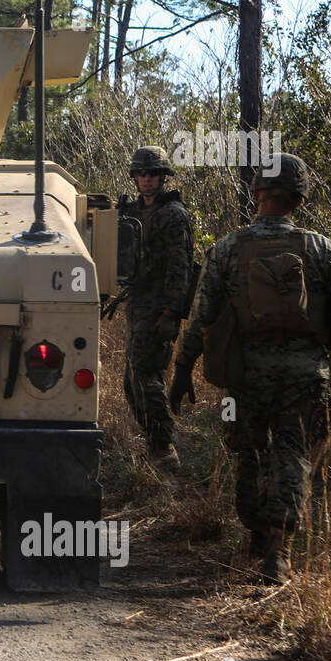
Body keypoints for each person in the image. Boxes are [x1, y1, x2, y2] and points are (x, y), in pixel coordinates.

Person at [168, 154, 331, 583]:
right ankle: (277, 554)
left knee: (248, 449)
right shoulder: (319, 247)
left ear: (257, 193)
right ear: (298, 200)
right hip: (305, 373)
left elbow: (202, 317)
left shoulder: (227, 248)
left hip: (246, 373)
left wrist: (183, 369)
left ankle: (257, 534)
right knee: (292, 453)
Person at [119, 146, 195, 469]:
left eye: (153, 174)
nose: (147, 179)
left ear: (163, 177)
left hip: (159, 309)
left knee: (147, 376)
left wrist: (172, 312)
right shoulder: (134, 212)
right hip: (137, 305)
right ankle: (154, 443)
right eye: (141, 173)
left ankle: (164, 449)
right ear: (135, 177)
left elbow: (182, 269)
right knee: (130, 380)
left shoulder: (173, 215)